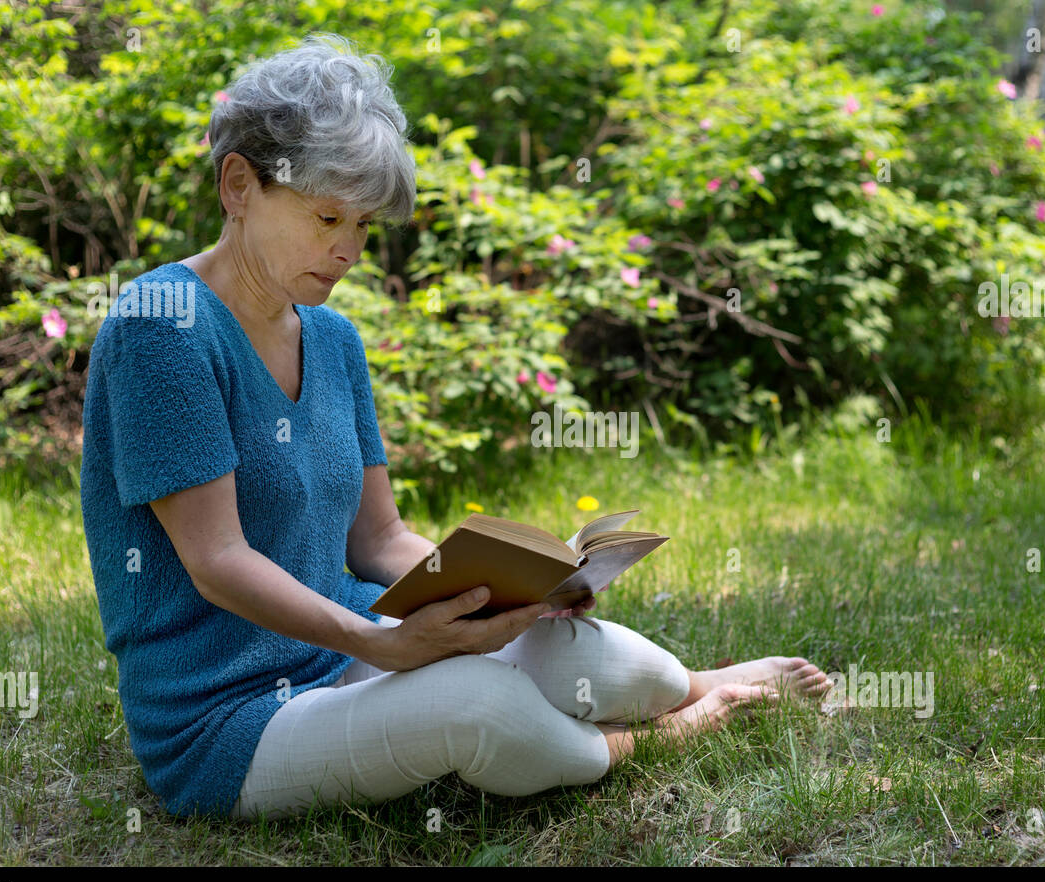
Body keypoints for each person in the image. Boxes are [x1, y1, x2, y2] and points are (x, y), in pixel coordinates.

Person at [79, 33, 833, 822]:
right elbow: (217, 562)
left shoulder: (332, 338)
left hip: (343, 649)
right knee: (477, 706)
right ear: (239, 185)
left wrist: (510, 594)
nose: (347, 250)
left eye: (365, 224)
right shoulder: (161, 327)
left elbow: (378, 541)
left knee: (581, 655)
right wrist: (374, 643)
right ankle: (654, 740)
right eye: (327, 215)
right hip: (226, 719)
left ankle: (699, 685)